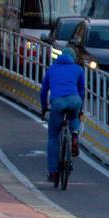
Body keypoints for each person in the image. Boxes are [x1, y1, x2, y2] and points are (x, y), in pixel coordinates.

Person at [40, 49, 86, 183]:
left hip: (58, 102)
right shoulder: (78, 70)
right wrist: (80, 108)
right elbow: (82, 91)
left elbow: (44, 91)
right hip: (74, 100)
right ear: (73, 58)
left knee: (53, 136)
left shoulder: (52, 69)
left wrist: (44, 108)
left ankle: (53, 172)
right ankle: (75, 135)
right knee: (74, 116)